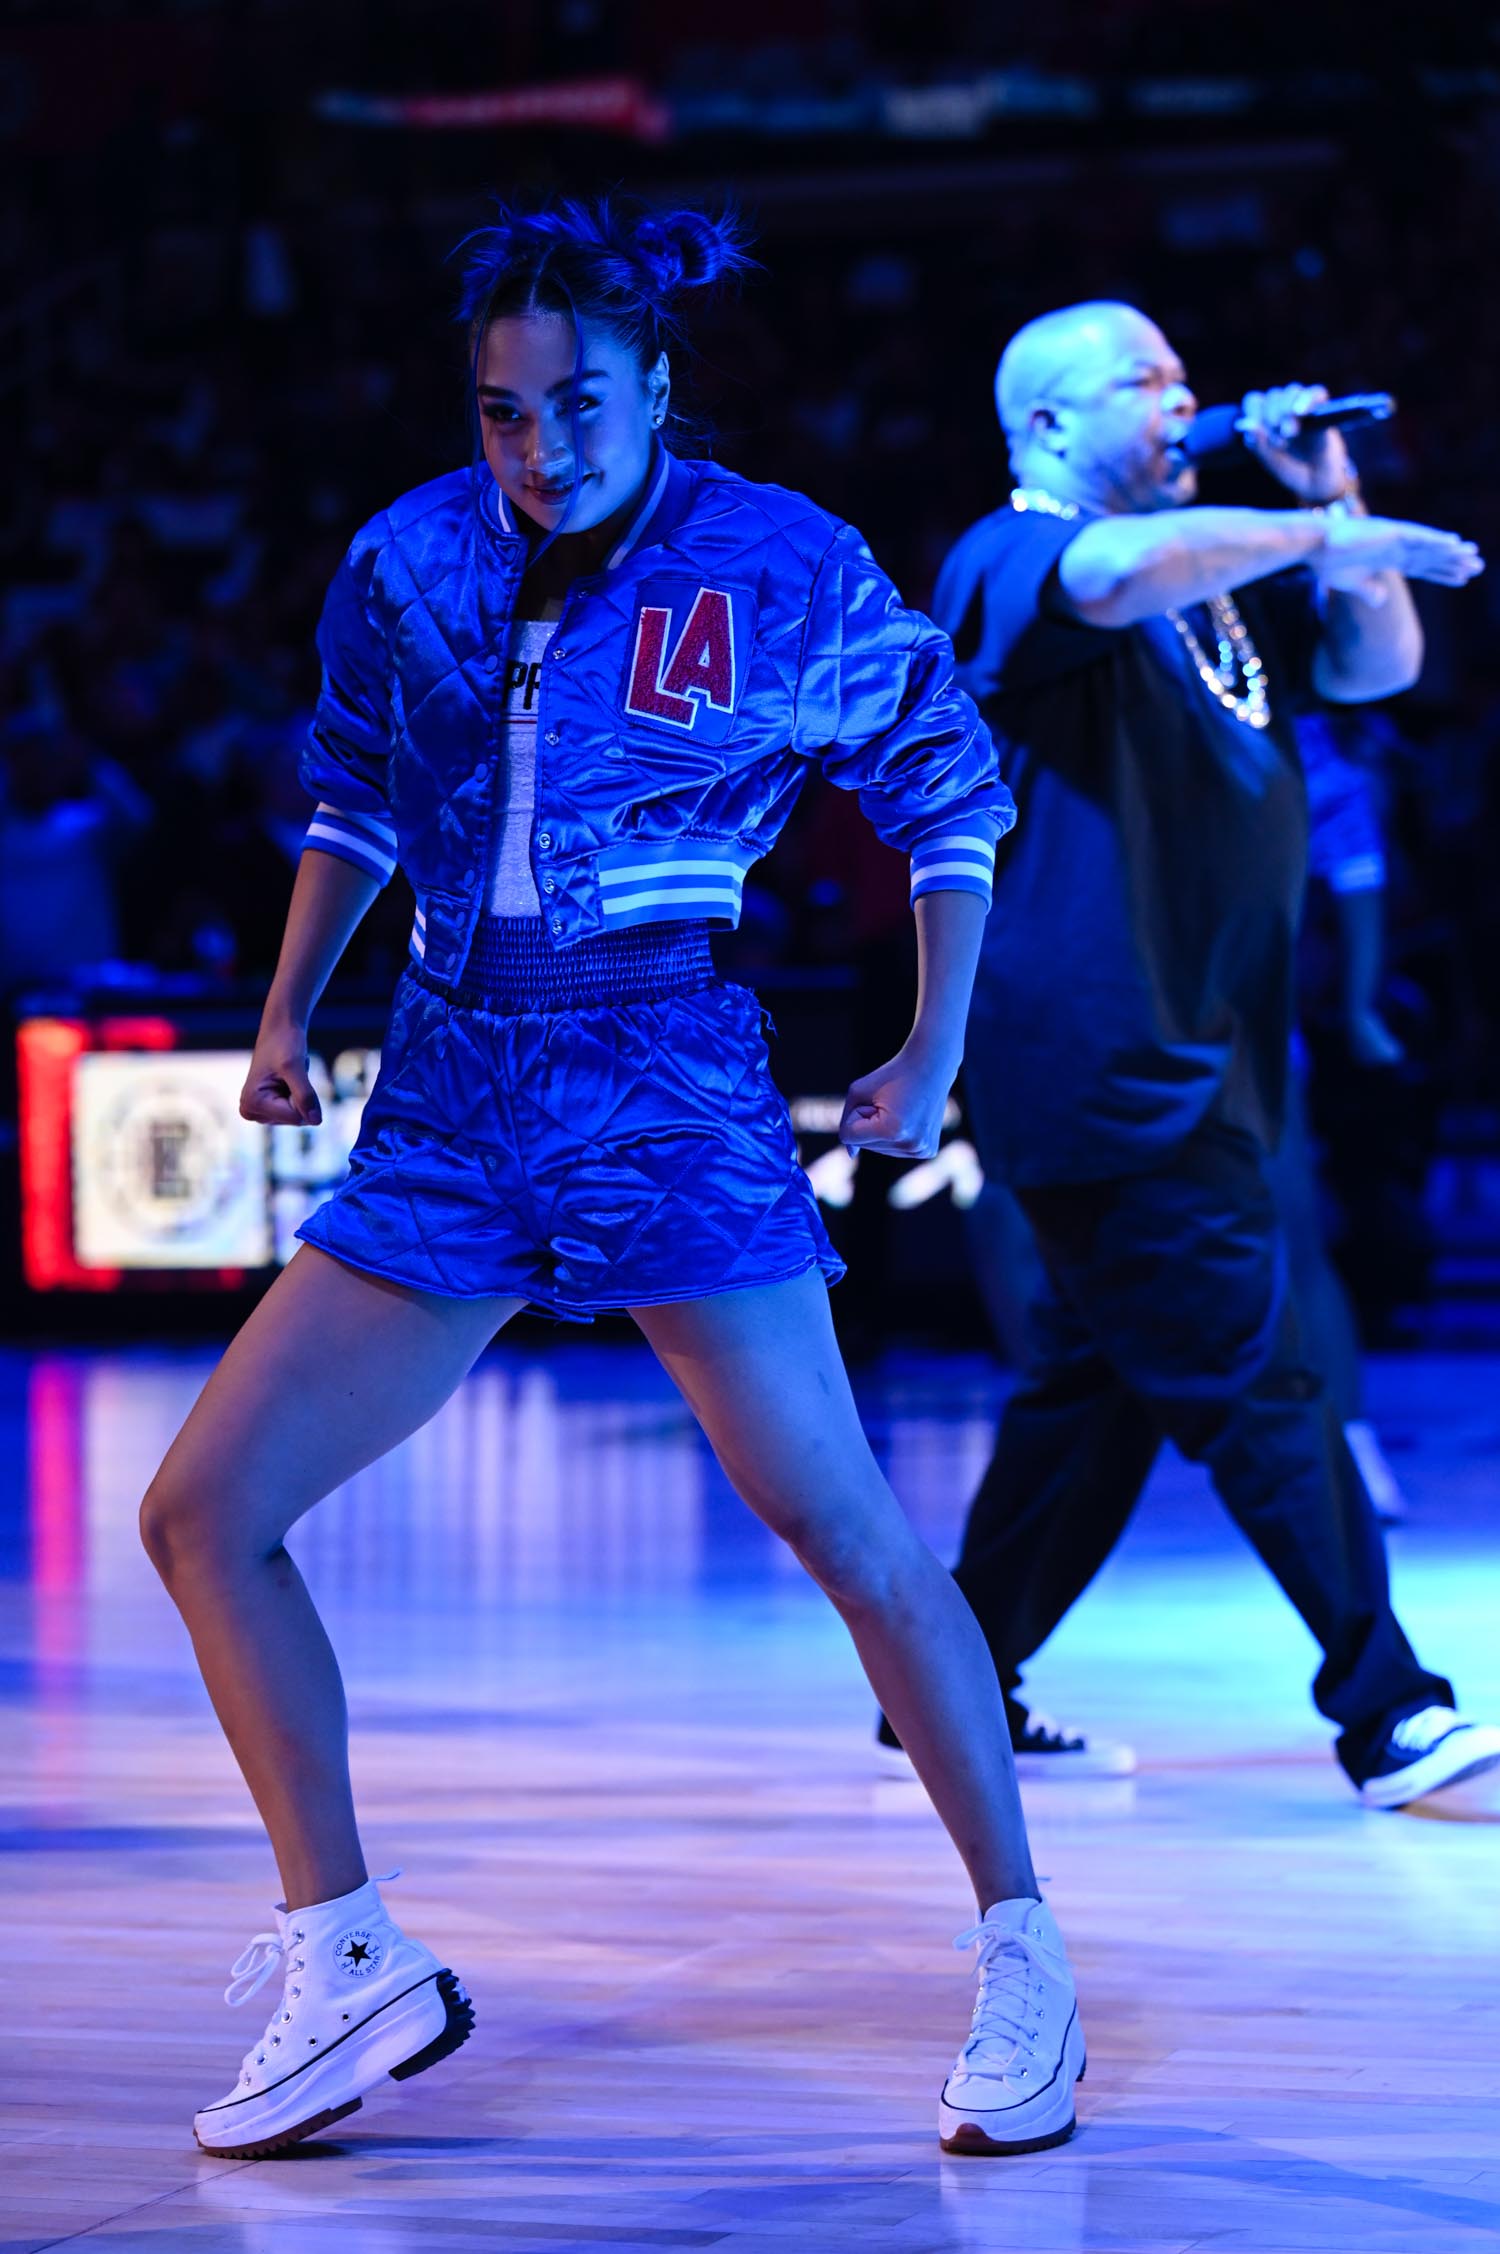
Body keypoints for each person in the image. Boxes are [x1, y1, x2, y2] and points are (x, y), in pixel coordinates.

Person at [138, 200, 1082, 2163]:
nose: (539, 446)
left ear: (659, 381)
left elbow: (952, 795)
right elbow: (351, 793)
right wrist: (288, 1006)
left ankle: (1021, 1946)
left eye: (578, 403)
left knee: (846, 1533)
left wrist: (935, 1039)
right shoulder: (405, 555)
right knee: (203, 1506)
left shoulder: (785, 560)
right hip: (458, 1086)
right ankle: (349, 1948)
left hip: (668, 1073)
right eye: (501, 411)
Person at [878, 300, 1500, 1811]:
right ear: (1045, 424)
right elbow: (1111, 570)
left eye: (1182, 373)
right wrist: (1296, 533)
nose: (1181, 397)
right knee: (1261, 1375)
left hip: (1210, 1056)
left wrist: (1327, 488)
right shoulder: (1013, 552)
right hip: (1103, 1054)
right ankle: (1390, 1707)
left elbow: (1379, 661)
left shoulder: (1216, 583)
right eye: (1140, 380)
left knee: (1091, 1402)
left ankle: (947, 1690)